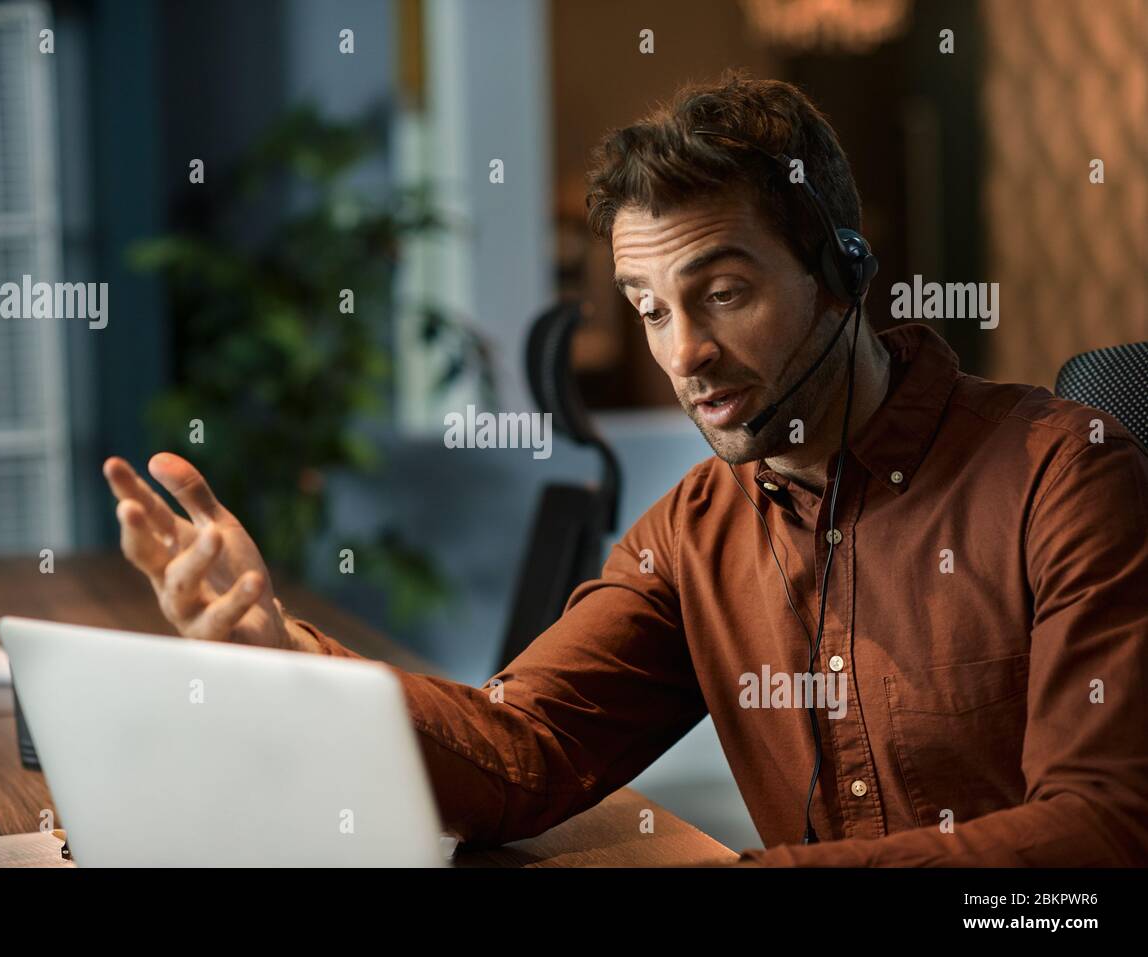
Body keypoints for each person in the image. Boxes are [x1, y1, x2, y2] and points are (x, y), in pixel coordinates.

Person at [102, 72, 1148, 866]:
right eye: (648, 309)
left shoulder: (1062, 475)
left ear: (841, 277)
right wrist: (279, 651)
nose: (682, 352)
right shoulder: (693, 530)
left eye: (723, 293)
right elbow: (522, 751)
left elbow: (1104, 829)